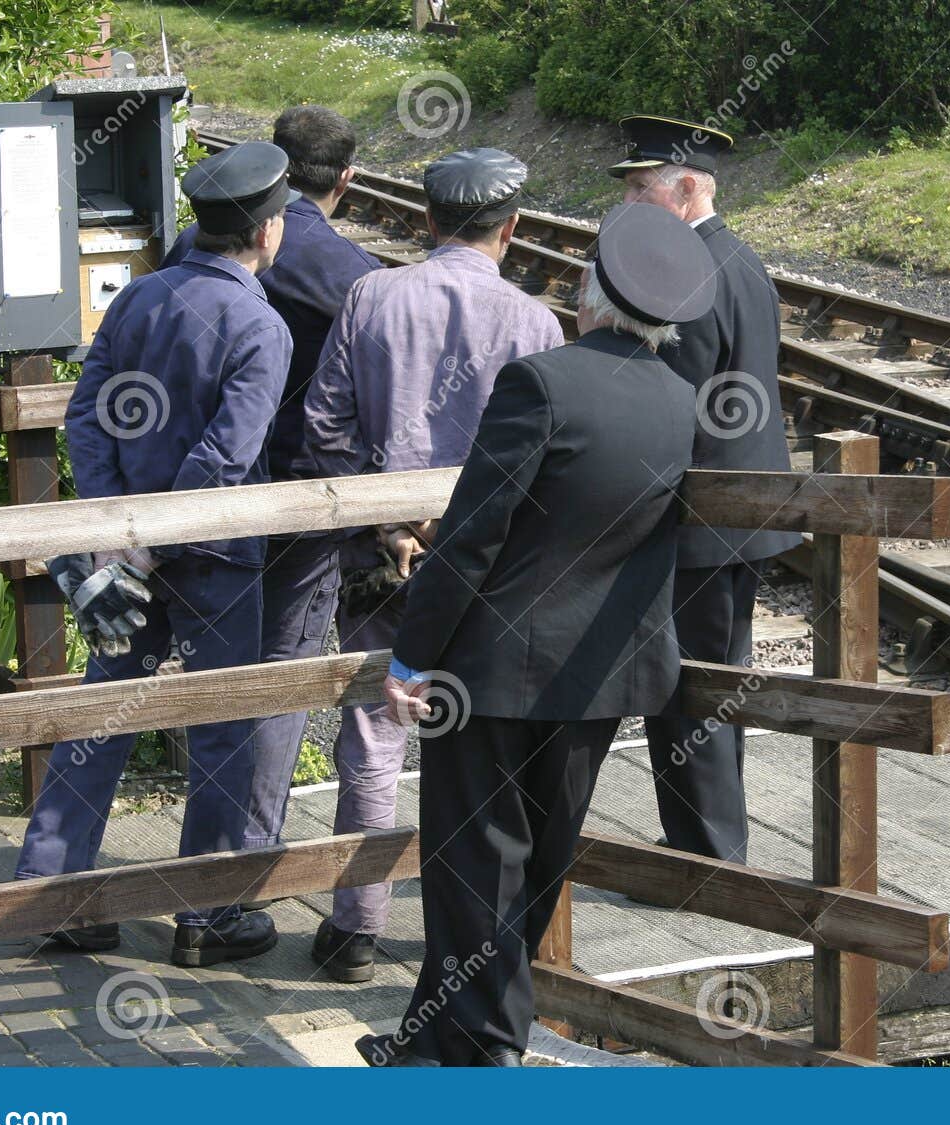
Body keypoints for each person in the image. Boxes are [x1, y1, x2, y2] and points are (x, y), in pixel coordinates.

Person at [354, 203, 717, 1067]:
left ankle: (486, 1056)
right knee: (538, 862)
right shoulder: (680, 402)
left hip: (494, 676)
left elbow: (474, 534)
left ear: (591, 293)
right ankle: (430, 1038)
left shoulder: (542, 383)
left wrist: (412, 654)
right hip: (602, 676)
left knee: (474, 868)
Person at [16, 142, 294, 968]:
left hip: (130, 549)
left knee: (105, 713)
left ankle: (53, 890)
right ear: (268, 231)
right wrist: (147, 542)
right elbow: (227, 457)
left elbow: (86, 418)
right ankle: (205, 916)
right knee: (219, 730)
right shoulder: (262, 326)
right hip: (215, 556)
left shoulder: (136, 298)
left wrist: (117, 528)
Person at [295, 147, 563, 983]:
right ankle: (471, 942)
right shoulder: (537, 324)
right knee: (482, 747)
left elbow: (324, 427)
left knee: (373, 738)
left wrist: (391, 520)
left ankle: (355, 929)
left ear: (426, 220)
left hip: (386, 559)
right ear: (511, 228)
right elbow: (546, 461)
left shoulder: (372, 296)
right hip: (493, 568)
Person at [163, 107, 384, 862]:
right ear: (345, 180)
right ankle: (244, 863)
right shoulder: (357, 274)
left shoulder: (192, 244)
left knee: (218, 680)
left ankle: (210, 857)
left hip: (206, 495)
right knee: (283, 681)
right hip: (303, 503)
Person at [612, 114, 800, 865]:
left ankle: (709, 850)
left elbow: (673, 405)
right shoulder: (738, 258)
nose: (627, 206)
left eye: (638, 189)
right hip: (737, 517)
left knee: (693, 690)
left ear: (686, 188)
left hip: (705, 522)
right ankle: (709, 836)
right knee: (711, 682)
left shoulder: (692, 269)